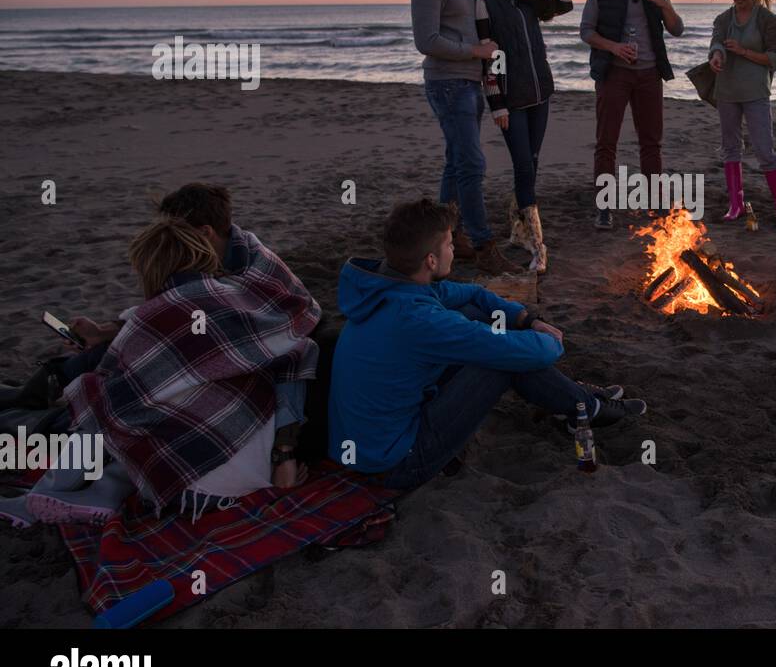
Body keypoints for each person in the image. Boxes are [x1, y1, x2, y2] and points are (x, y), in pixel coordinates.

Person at [1, 218, 321, 528]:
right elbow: (301, 352)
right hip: (253, 476)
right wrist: (284, 456)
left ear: (150, 267)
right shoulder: (241, 301)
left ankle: (41, 497)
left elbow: (109, 405)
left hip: (186, 489)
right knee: (164, 409)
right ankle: (102, 494)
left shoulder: (153, 317)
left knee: (100, 399)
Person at [327, 198, 646, 490]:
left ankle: (576, 402)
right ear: (430, 260)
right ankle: (586, 407)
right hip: (394, 463)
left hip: (365, 444)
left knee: (474, 313)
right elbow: (519, 350)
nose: (454, 250)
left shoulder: (388, 287)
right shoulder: (419, 320)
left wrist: (524, 318)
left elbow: (472, 294)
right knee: (501, 361)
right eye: (451, 244)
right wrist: (550, 340)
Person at [410, 0, 516, 274]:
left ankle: (446, 240)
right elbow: (426, 40)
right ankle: (484, 243)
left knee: (456, 164)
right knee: (472, 163)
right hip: (447, 84)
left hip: (469, 83)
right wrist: (474, 50)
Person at [475, 0, 574, 273]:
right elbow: (488, 58)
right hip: (511, 102)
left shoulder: (529, 1)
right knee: (523, 167)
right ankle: (538, 247)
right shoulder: (485, 1)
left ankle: (519, 231)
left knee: (530, 163)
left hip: (540, 94)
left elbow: (566, 1)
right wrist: (497, 104)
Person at [580, 0, 685, 229]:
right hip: (613, 74)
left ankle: (654, 206)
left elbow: (678, 29)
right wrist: (614, 47)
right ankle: (604, 207)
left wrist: (664, 4)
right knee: (606, 142)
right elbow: (586, 30)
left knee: (651, 142)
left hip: (649, 74)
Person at [705, 0, 776, 229]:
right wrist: (716, 56)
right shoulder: (723, 19)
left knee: (765, 150)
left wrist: (742, 52)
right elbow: (716, 42)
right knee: (730, 147)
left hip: (756, 92)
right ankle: (736, 205)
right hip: (727, 91)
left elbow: (775, 58)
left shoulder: (767, 20)